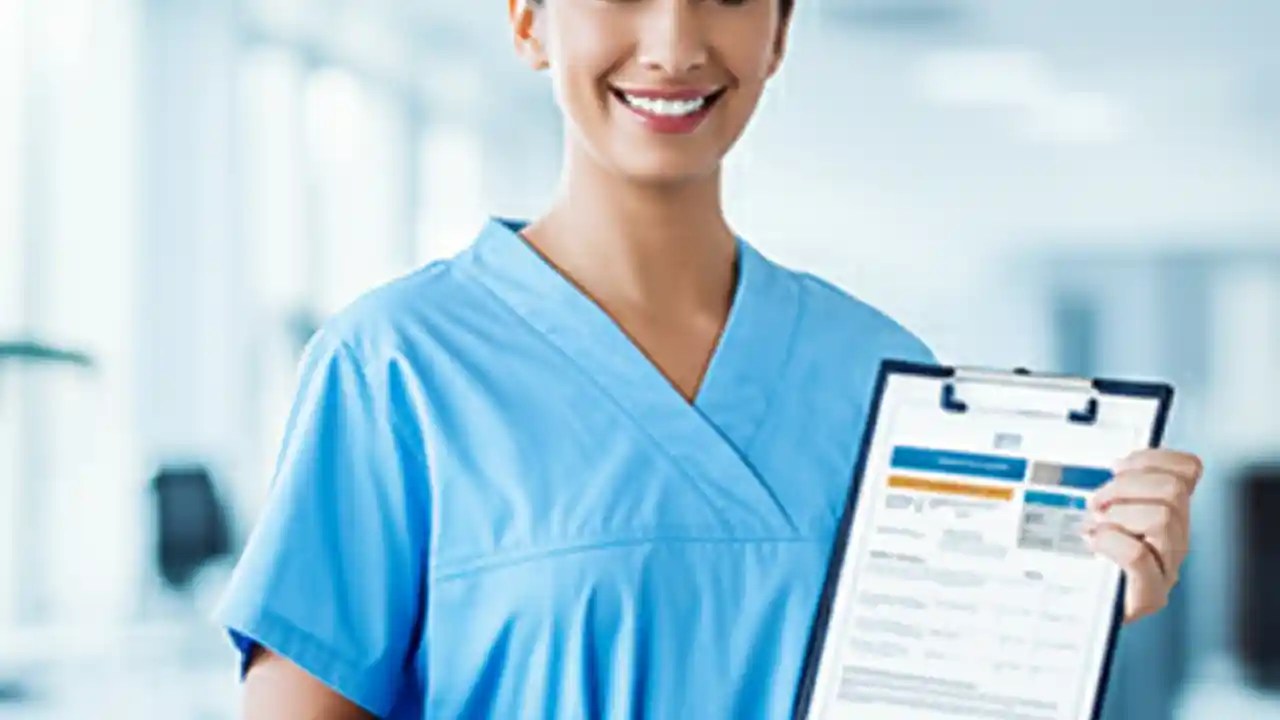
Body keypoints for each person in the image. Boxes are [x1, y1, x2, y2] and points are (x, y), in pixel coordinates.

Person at [214, 1, 1204, 718]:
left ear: (777, 34)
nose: (674, 42)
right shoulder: (396, 366)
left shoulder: (883, 373)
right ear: (527, 21)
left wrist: (1061, 611)